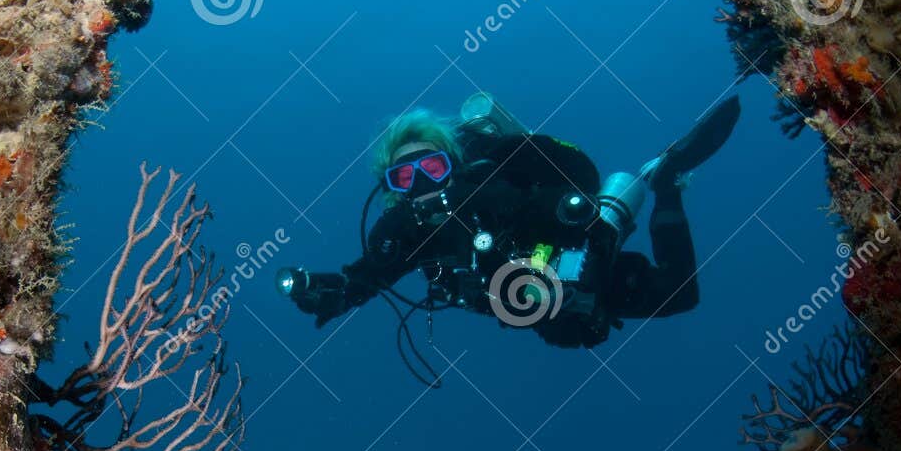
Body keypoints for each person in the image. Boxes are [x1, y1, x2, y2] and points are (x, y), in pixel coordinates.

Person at [278, 92, 741, 355]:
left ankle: (666, 183)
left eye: (432, 168)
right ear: (393, 190)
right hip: (525, 303)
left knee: (681, 295)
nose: (421, 184)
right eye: (405, 177)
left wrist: (567, 223)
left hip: (572, 265)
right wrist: (328, 293)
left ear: (453, 166)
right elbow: (365, 276)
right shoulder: (403, 231)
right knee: (570, 333)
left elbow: (557, 209)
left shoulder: (485, 189)